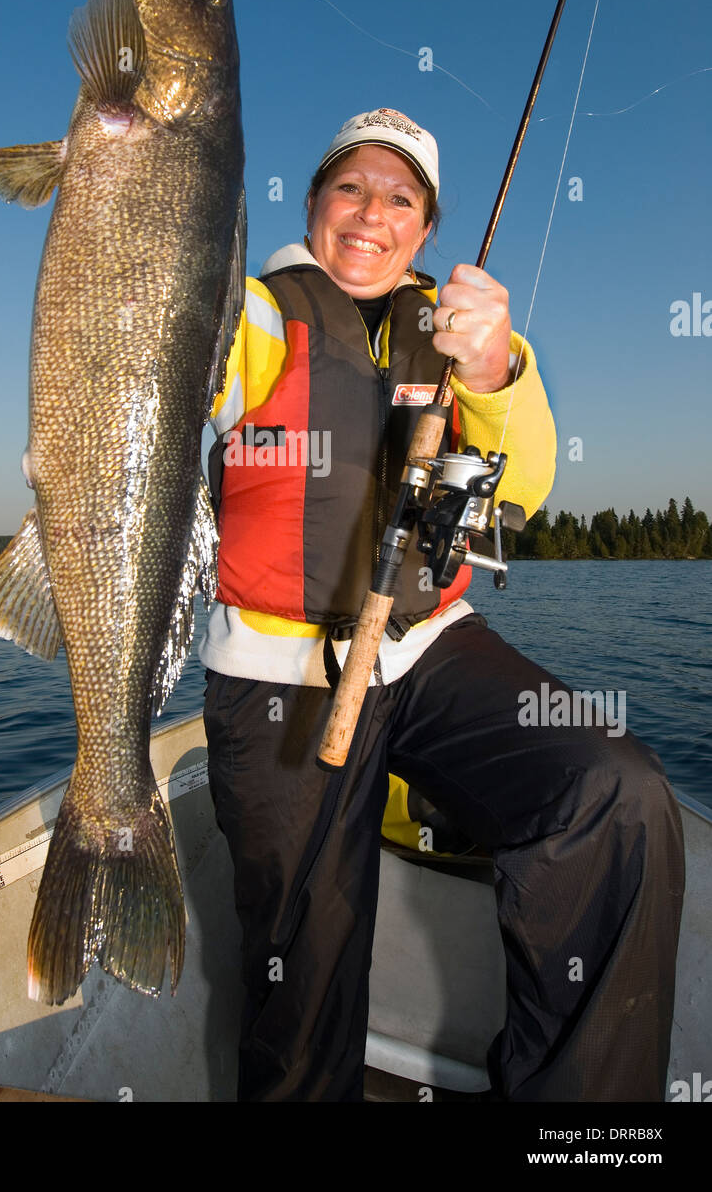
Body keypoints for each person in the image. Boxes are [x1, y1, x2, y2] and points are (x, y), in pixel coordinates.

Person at [199, 107, 685, 1103]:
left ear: (426, 228)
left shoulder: (460, 330)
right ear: (313, 202)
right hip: (278, 671)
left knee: (615, 794)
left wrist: (495, 368)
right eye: (351, 187)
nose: (372, 214)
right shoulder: (247, 314)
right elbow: (181, 367)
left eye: (401, 198)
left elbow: (524, 487)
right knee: (302, 972)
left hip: (428, 647)